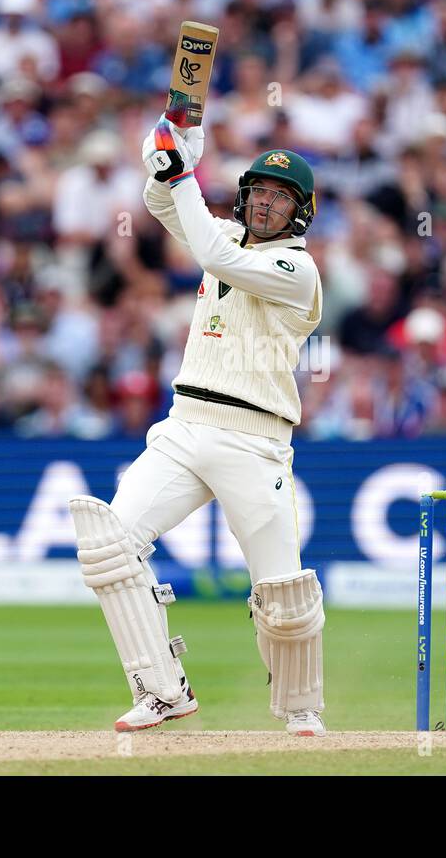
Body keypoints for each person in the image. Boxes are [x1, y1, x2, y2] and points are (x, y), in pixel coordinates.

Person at [68, 117, 326, 737]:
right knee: (110, 545)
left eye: (279, 197)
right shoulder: (228, 234)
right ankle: (160, 689)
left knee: (282, 596)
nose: (265, 203)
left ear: (299, 212)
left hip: (255, 438)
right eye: (258, 191)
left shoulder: (297, 271)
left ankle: (301, 709)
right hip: (185, 424)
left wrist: (182, 171)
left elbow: (212, 252)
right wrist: (175, 144)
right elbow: (162, 198)